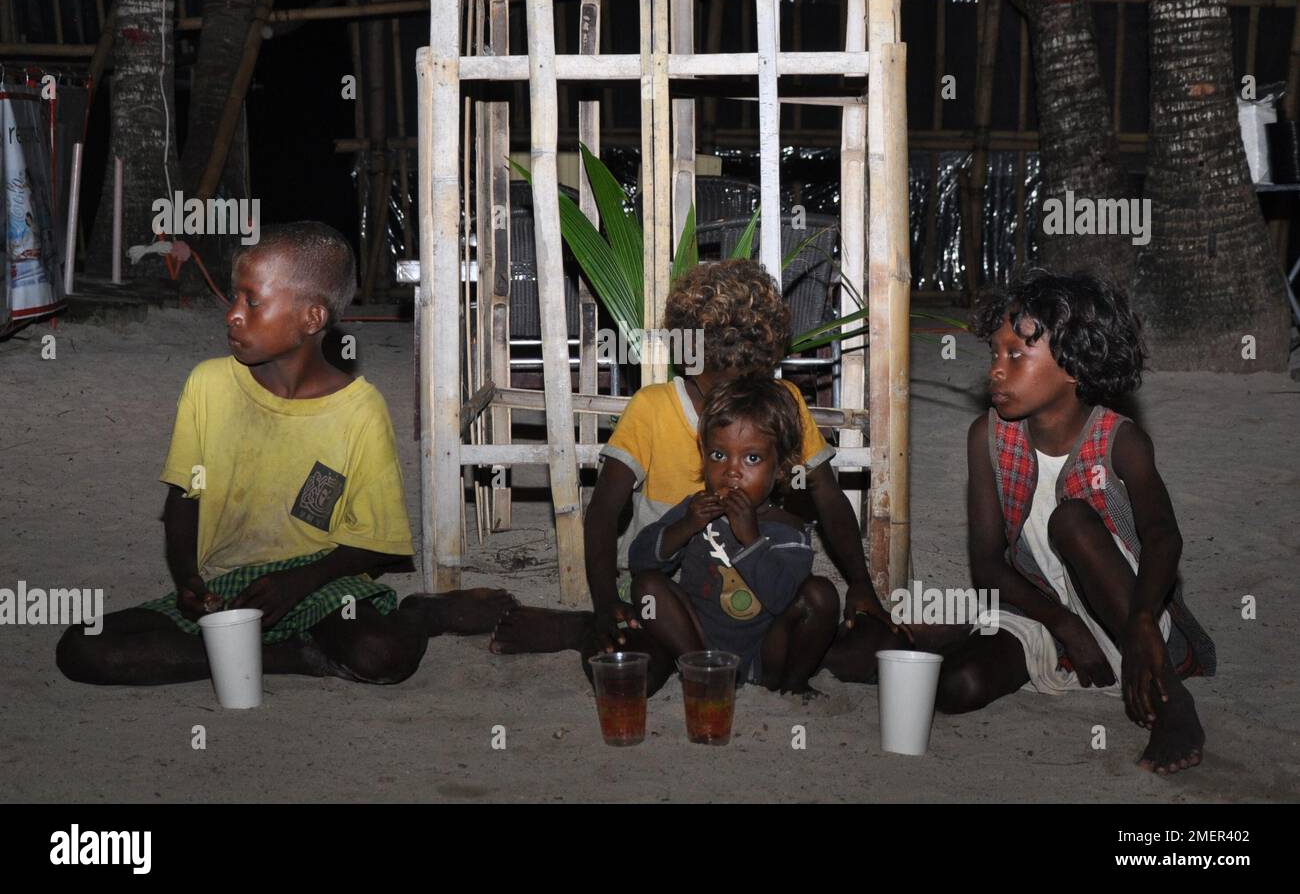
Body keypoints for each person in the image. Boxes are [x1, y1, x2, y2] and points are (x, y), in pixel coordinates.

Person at [56, 222, 514, 687]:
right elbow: (184, 500)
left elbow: (375, 542)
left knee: (382, 654)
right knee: (82, 649)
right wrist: (188, 581)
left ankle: (422, 613)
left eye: (251, 301)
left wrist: (298, 583)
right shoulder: (207, 385)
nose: (232, 314)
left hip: (324, 582)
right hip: (231, 582)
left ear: (311, 319)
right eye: (235, 298)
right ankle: (297, 656)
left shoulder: (360, 410)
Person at [837, 268, 1215, 774]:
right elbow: (989, 566)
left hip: (1126, 612)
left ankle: (1173, 701)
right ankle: (932, 640)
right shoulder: (988, 439)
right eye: (995, 353)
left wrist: (1145, 617)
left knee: (1071, 522)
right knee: (957, 687)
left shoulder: (1118, 441)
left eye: (1016, 355)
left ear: (1075, 363)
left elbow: (1164, 538)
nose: (996, 369)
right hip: (1040, 609)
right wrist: (1061, 624)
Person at [491, 258, 903, 694]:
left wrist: (860, 584)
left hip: (758, 587)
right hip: (675, 597)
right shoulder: (652, 408)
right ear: (690, 360)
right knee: (628, 673)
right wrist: (606, 603)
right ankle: (580, 630)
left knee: (876, 654)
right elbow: (603, 512)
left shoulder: (780, 401)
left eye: (747, 381)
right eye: (718, 383)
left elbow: (828, 496)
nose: (732, 397)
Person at [629, 377, 836, 693]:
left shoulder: (788, 529)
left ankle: (794, 685)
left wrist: (751, 539)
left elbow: (781, 599)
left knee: (821, 594)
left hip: (764, 653)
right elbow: (639, 560)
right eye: (718, 455)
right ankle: (702, 671)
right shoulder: (698, 510)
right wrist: (685, 526)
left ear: (781, 468)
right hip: (699, 640)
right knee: (647, 587)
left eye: (751, 458)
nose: (731, 471)